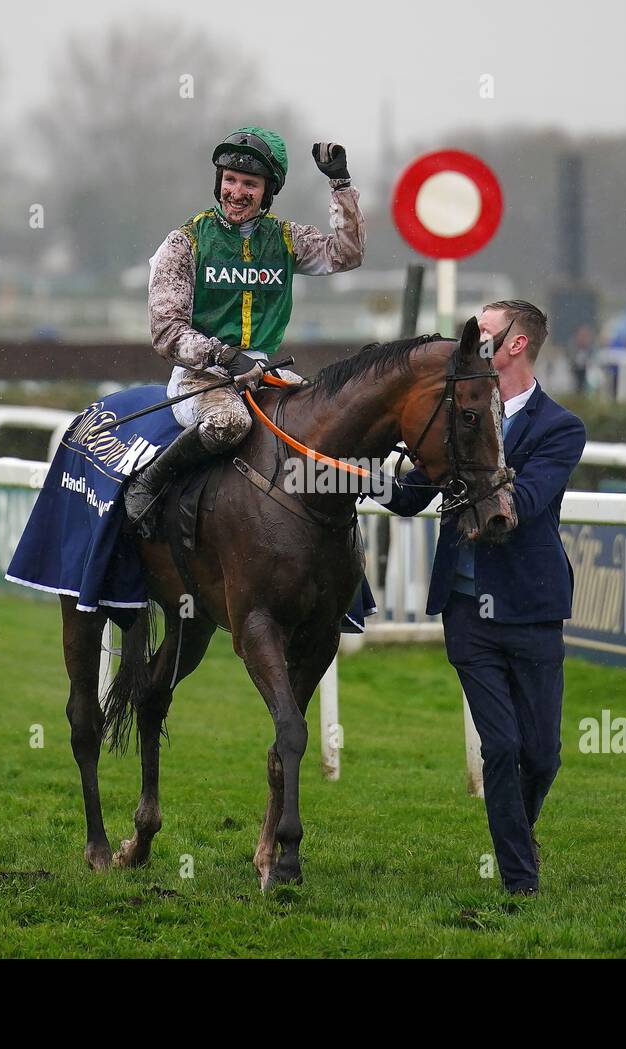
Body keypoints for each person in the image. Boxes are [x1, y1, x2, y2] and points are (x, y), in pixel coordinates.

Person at [385, 300, 586, 895]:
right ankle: (520, 881)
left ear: (517, 344)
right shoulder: (456, 413)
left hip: (533, 609)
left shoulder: (559, 428)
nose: (469, 341)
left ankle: (520, 839)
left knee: (542, 756)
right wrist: (362, 470)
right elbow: (405, 498)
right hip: (467, 611)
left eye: (484, 334)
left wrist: (487, 492)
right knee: (501, 747)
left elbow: (526, 504)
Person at [124, 127, 366, 524]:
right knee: (229, 423)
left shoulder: (287, 238)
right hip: (202, 375)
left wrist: (340, 184)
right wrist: (225, 356)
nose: (236, 192)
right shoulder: (185, 242)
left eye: (249, 184)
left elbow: (347, 254)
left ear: (268, 192)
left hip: (266, 372)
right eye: (230, 180)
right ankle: (150, 482)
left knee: (322, 419)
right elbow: (166, 330)